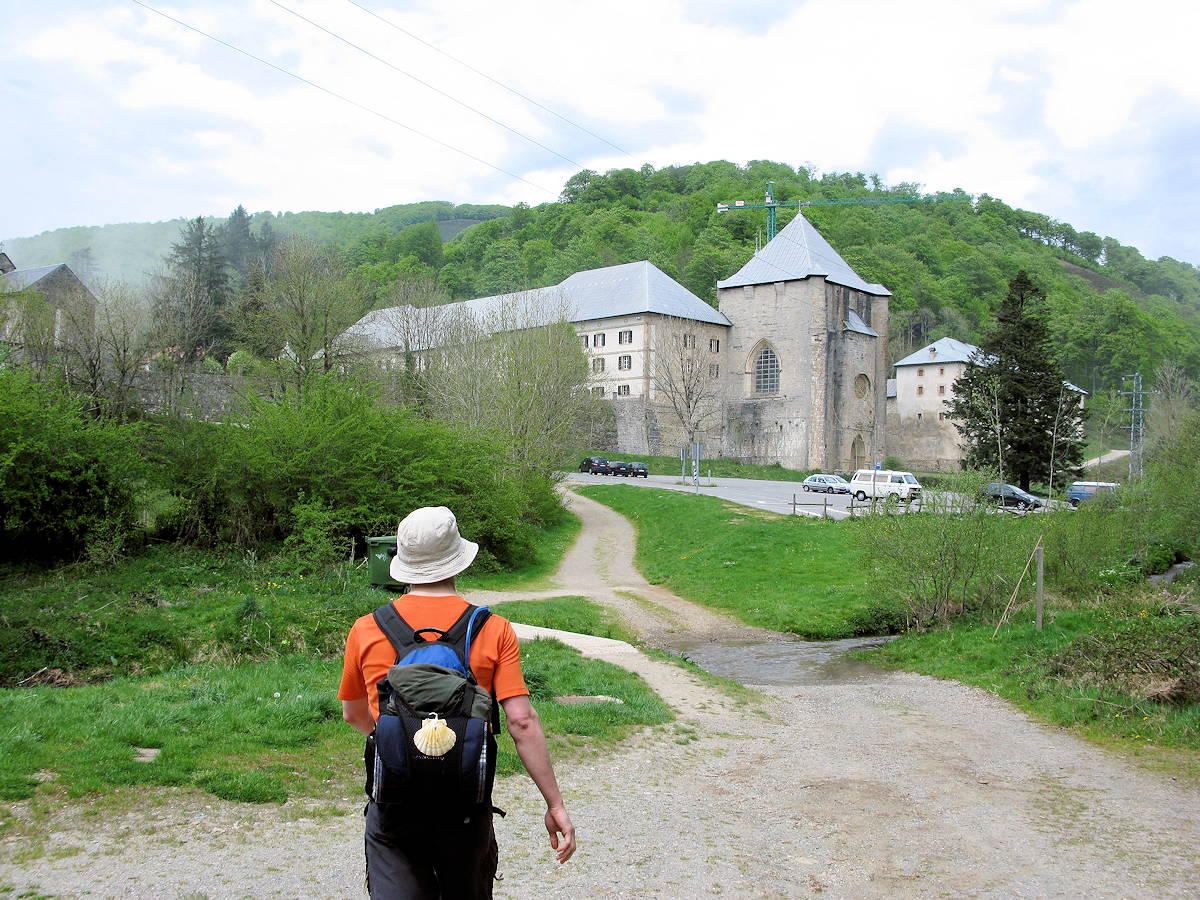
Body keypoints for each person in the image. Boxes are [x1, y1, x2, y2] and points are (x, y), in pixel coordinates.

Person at [339, 506, 576, 898]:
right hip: (465, 803)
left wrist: (402, 742)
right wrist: (555, 804)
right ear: (457, 560)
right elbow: (521, 722)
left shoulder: (367, 629)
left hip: (394, 804)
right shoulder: (493, 628)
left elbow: (354, 714)